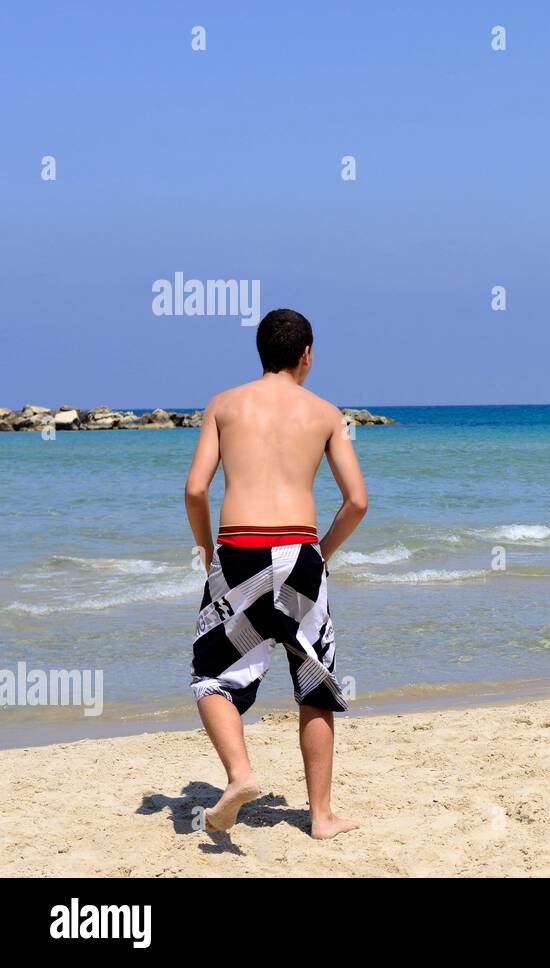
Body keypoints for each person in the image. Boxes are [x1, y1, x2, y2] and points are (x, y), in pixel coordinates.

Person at [183, 308, 368, 838]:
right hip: (298, 554)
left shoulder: (223, 405)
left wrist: (205, 549)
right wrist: (321, 554)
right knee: (314, 682)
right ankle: (322, 817)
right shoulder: (326, 413)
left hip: (239, 550)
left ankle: (240, 774)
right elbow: (356, 501)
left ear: (260, 353)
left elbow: (196, 490)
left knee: (212, 674)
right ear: (306, 354)